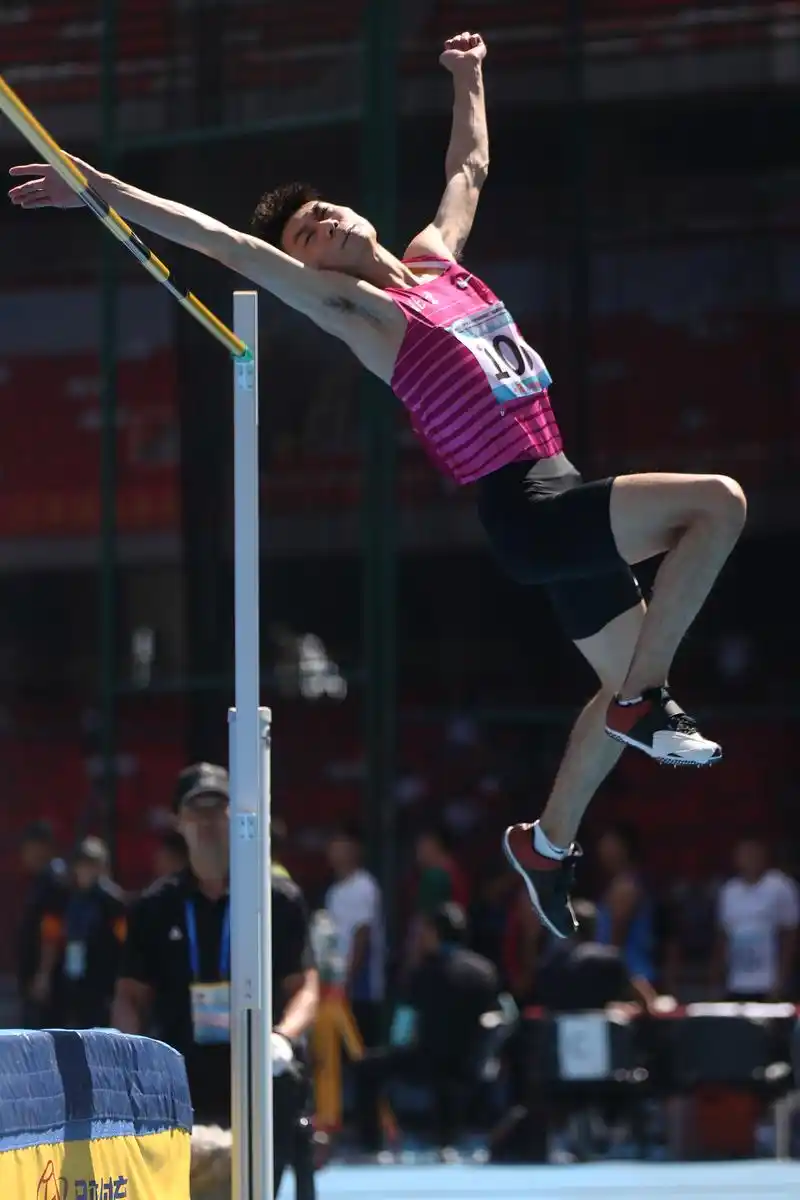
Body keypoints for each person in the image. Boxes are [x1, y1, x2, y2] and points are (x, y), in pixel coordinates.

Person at [10, 32, 747, 939]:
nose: (322, 221)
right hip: (529, 508)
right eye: (306, 235)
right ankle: (648, 699)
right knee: (717, 503)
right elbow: (224, 244)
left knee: (616, 687)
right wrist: (97, 187)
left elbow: (469, 167)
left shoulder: (437, 262)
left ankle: (547, 843)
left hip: (559, 492)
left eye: (322, 210)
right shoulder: (360, 315)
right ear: (312, 270)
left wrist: (469, 78)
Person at [111, 762, 319, 1197]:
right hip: (181, 1072)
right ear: (178, 820)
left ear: (236, 818)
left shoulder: (276, 899)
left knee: (260, 1172)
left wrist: (282, 1037)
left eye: (217, 809)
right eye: (196, 810)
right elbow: (130, 995)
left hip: (257, 1067)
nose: (207, 822)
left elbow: (305, 987)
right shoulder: (155, 906)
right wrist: (133, 1053)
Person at [354, 902, 501, 1154]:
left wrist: (397, 1047)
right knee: (448, 1075)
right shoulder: (485, 971)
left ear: (435, 933)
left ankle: (371, 1146)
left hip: (428, 1059)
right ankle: (447, 1138)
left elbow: (405, 1025)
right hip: (470, 1061)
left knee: (367, 1068)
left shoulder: (425, 970)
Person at [711, 832, 800, 1002]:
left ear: (764, 854)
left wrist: (782, 980)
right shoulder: (729, 890)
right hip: (736, 983)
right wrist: (717, 978)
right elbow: (723, 937)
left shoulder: (780, 886)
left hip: (770, 982)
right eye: (744, 853)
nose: (749, 858)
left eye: (753, 852)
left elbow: (791, 935)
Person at [325, 825, 385, 1047]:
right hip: (337, 986)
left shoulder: (364, 886)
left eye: (341, 845)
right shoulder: (333, 891)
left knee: (361, 1050)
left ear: (355, 849)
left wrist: (348, 979)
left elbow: (363, 935)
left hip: (361, 989)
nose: (335, 850)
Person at [60, 836, 128, 1028]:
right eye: (82, 865)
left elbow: (125, 940)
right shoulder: (72, 896)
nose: (86, 871)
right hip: (76, 972)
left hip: (103, 978)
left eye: (92, 865)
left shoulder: (111, 901)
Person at [16, 819, 69, 1028]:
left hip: (49, 979)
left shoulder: (53, 880)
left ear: (41, 846)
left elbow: (52, 930)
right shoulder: (42, 879)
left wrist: (43, 974)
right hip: (38, 975)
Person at [594, 823, 656, 986]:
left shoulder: (625, 888)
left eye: (609, 844)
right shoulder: (615, 884)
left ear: (623, 848)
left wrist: (607, 976)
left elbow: (616, 942)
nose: (602, 850)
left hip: (629, 976)